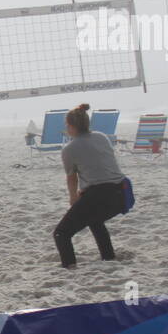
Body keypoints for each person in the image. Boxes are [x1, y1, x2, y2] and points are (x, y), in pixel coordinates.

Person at [53, 103, 127, 268]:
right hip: (121, 193)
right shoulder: (101, 137)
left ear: (71, 126)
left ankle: (69, 267)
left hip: (98, 195)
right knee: (95, 219)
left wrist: (73, 199)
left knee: (61, 233)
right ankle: (109, 257)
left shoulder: (69, 149)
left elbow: (72, 178)